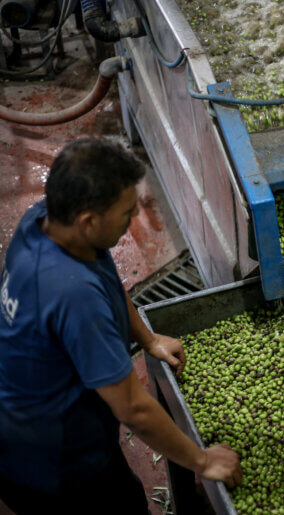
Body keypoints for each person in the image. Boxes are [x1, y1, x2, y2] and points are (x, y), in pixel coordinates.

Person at [0, 139, 242, 514]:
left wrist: (147, 338)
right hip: (56, 466)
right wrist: (202, 460)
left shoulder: (46, 219)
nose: (133, 224)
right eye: (126, 214)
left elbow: (104, 270)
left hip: (42, 420)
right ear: (89, 220)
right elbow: (134, 409)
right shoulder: (73, 296)